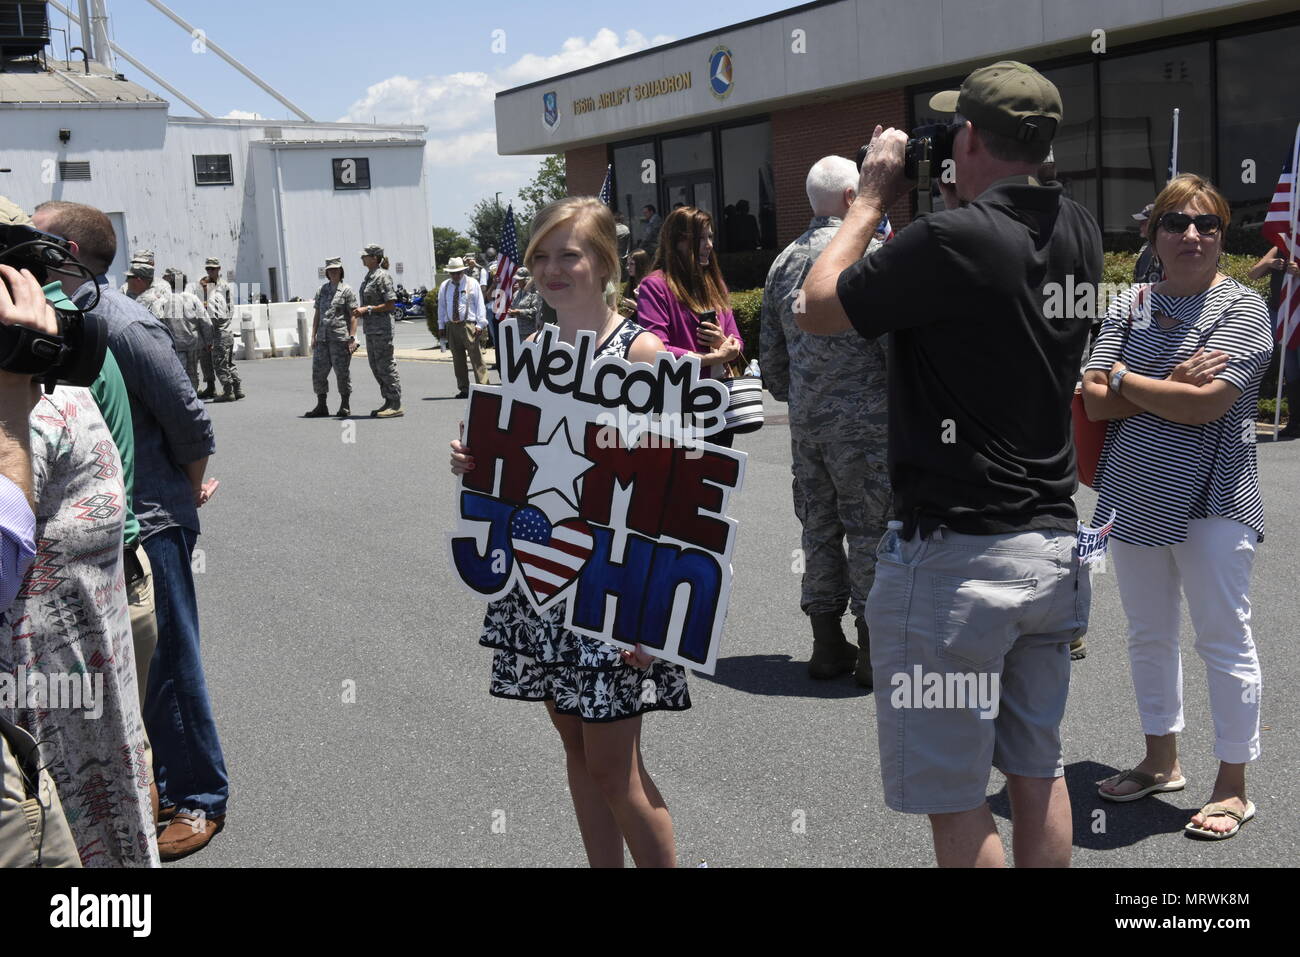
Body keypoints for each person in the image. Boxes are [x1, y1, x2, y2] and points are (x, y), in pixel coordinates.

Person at [799, 61, 1101, 868]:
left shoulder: (952, 239)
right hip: (1048, 546)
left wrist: (869, 197)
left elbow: (818, 306)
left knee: (957, 797)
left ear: (967, 136)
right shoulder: (1078, 227)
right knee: (1038, 772)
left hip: (955, 563)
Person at [450, 197, 685, 868]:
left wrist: (650, 608)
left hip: (615, 588)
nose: (553, 268)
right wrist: (473, 460)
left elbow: (674, 490)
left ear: (605, 263)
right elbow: (514, 461)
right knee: (577, 749)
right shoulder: (527, 349)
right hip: (541, 578)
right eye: (542, 255)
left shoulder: (642, 353)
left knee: (616, 769)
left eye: (570, 254)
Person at [32, 200, 227, 861]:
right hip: (109, 523)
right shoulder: (71, 319)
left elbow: (192, 425)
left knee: (170, 664)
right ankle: (158, 787)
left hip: (151, 517)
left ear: (64, 249)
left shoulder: (121, 323)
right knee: (133, 671)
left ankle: (199, 797)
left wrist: (180, 492)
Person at [1084, 175, 1274, 840]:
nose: (1192, 235)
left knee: (1223, 639)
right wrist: (1163, 382)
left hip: (1214, 499)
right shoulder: (1128, 304)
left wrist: (1129, 379)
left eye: (1207, 224)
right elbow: (1093, 398)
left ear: (1221, 235)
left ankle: (1233, 785)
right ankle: (1161, 760)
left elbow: (1207, 404)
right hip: (1132, 496)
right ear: (1152, 234)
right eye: (1176, 222)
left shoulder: (1243, 310)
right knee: (1147, 634)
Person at [761, 155, 889, 686]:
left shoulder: (784, 262)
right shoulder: (872, 256)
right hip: (867, 424)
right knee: (869, 530)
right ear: (848, 200)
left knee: (817, 528)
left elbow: (770, 360)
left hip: (807, 425)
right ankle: (871, 648)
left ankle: (825, 642)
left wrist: (801, 393)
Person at [634, 206, 743, 445]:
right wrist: (713, 358)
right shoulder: (655, 286)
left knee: (719, 480)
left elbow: (736, 338)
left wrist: (728, 346)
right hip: (680, 407)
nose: (709, 245)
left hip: (721, 403)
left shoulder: (716, 284)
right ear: (677, 243)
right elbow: (657, 352)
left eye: (710, 237)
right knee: (686, 480)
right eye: (701, 239)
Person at [1247, 245, 1300, 437]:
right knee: (1291, 369)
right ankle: (1295, 422)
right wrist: (1270, 263)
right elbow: (1252, 274)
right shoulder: (1280, 248)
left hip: (1298, 315)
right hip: (1280, 315)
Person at [354, 243, 403, 418]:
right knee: (376, 366)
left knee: (386, 365)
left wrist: (367, 310)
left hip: (382, 329)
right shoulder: (370, 276)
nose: (362, 258)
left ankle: (395, 402)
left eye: (365, 256)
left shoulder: (382, 276)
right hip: (372, 329)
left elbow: (390, 304)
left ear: (374, 258)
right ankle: (388, 400)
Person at [306, 257, 359, 418]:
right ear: (326, 272)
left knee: (342, 373)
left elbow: (353, 316)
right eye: (330, 269)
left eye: (336, 269)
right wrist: (313, 334)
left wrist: (352, 337)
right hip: (322, 339)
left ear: (341, 270)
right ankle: (321, 405)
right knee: (318, 372)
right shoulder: (321, 290)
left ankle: (345, 405)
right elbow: (317, 314)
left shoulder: (347, 290)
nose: (333, 271)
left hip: (340, 338)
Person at [438, 257, 488, 398]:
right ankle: (464, 388)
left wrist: (480, 324)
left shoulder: (472, 283)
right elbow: (441, 307)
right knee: (458, 360)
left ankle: (483, 388)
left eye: (458, 272)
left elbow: (480, 305)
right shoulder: (445, 286)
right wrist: (441, 325)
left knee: (476, 358)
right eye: (453, 273)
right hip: (452, 326)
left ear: (463, 271)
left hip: (468, 324)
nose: (456, 275)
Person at [200, 257, 243, 402]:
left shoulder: (224, 286)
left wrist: (224, 323)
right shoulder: (204, 284)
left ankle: (230, 390)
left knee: (220, 362)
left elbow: (230, 307)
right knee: (223, 361)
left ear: (218, 269)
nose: (210, 271)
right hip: (211, 329)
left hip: (220, 328)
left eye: (212, 268)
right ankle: (232, 388)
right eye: (208, 269)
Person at [159, 267, 207, 391]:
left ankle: (182, 398)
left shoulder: (164, 300)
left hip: (175, 345)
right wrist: (209, 340)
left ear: (170, 283)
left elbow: (159, 322)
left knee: (178, 373)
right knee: (192, 373)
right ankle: (193, 397)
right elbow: (205, 320)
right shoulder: (193, 298)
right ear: (184, 283)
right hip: (193, 343)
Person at [504, 268, 541, 340]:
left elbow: (536, 310)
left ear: (526, 280)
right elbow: (512, 306)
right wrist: (511, 312)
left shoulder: (533, 294)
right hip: (516, 330)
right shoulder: (516, 293)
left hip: (529, 332)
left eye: (520, 280)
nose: (517, 281)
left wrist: (520, 312)